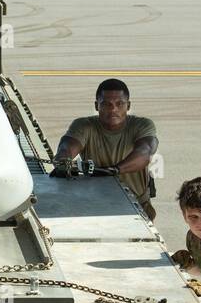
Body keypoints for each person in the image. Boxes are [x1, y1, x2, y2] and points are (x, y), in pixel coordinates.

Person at [55, 78, 160, 219]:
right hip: (96, 205)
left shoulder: (142, 125)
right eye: (106, 104)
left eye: (120, 104)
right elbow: (68, 146)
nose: (113, 109)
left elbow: (145, 151)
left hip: (136, 206)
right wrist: (63, 160)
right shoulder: (83, 126)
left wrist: (116, 170)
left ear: (128, 106)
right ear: (97, 106)